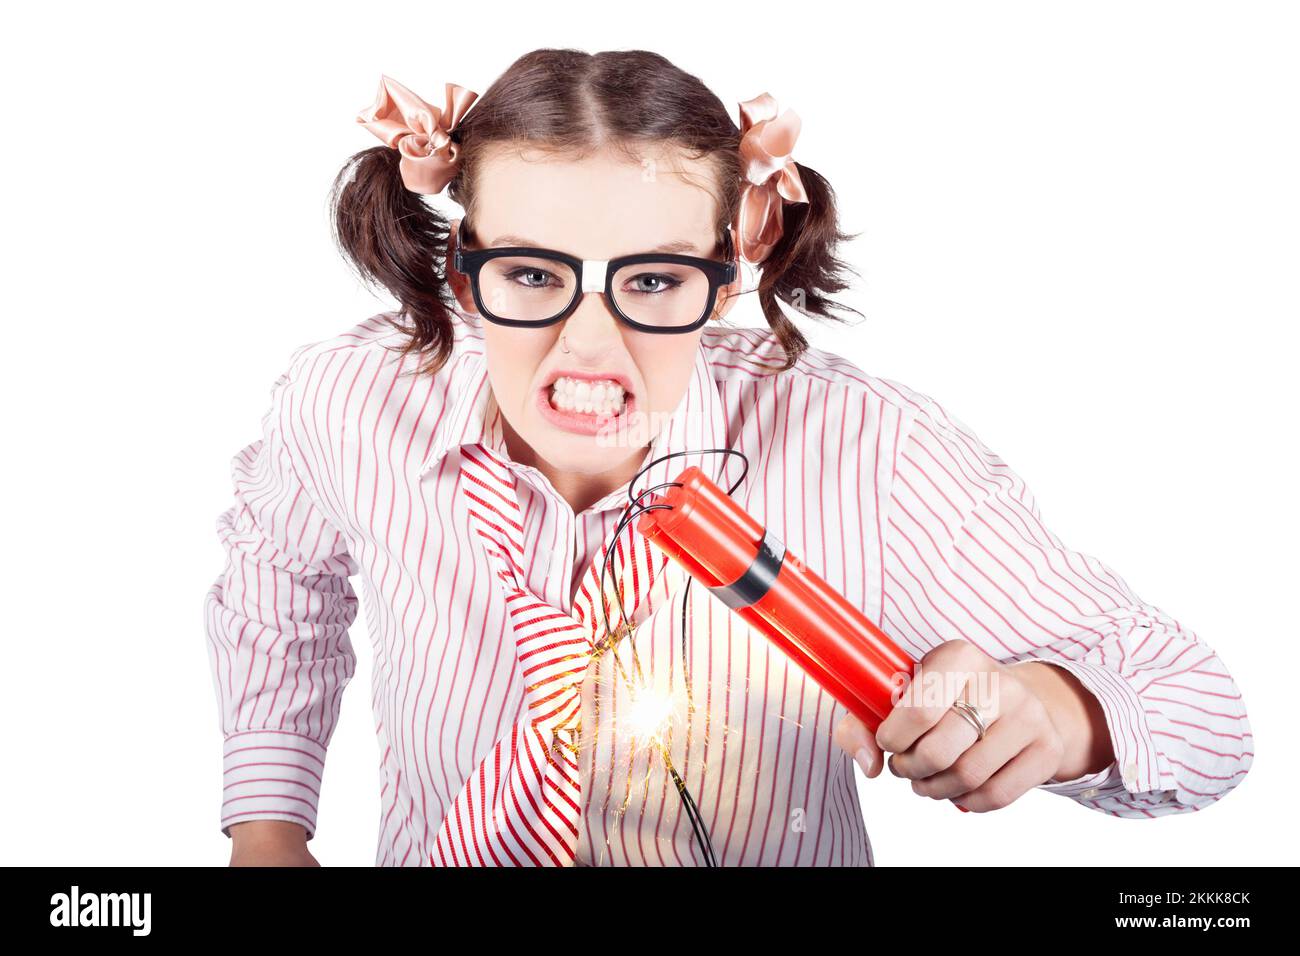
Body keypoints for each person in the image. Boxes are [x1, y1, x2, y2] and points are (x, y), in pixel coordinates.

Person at [205, 48, 1252, 867]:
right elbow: (278, 588)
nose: (589, 344)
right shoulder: (345, 401)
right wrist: (268, 825)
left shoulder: (866, 449)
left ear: (727, 271)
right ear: (463, 273)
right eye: (531, 273)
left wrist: (1057, 713)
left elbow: (1202, 712)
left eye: (654, 282)